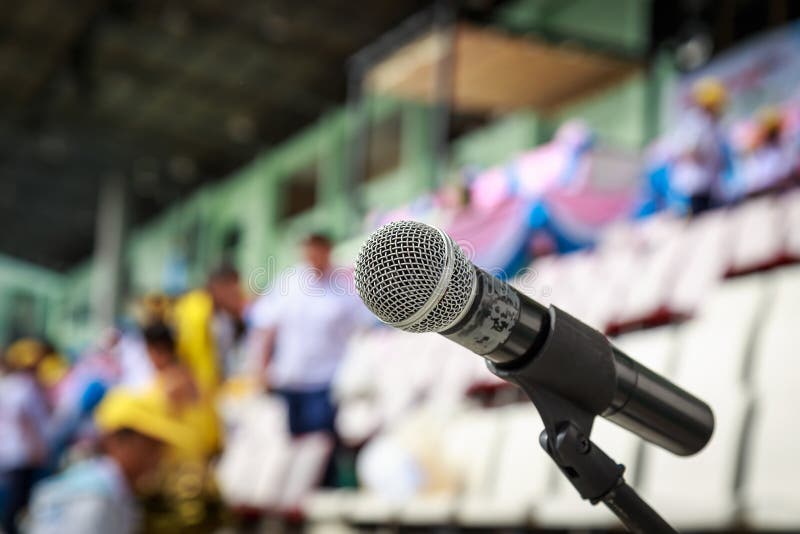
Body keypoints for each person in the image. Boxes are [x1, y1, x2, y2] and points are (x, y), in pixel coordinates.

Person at [250, 233, 370, 485]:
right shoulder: (288, 282)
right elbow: (267, 327)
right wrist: (261, 368)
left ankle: (323, 490)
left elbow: (360, 330)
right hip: (290, 378)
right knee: (293, 442)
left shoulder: (344, 287)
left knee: (322, 442)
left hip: (326, 379)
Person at [26, 389, 191, 534]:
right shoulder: (93, 502)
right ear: (118, 440)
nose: (158, 457)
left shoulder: (114, 492)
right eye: (152, 446)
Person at [0, 339, 51, 534]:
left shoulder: (6, 384)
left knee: (9, 509)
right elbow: (32, 422)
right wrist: (39, 450)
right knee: (21, 509)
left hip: (7, 454)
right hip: (24, 455)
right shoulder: (27, 387)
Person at [172, 264, 246, 394]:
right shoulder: (196, 309)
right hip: (195, 393)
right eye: (232, 288)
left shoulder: (221, 315)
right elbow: (194, 357)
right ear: (218, 286)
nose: (237, 293)